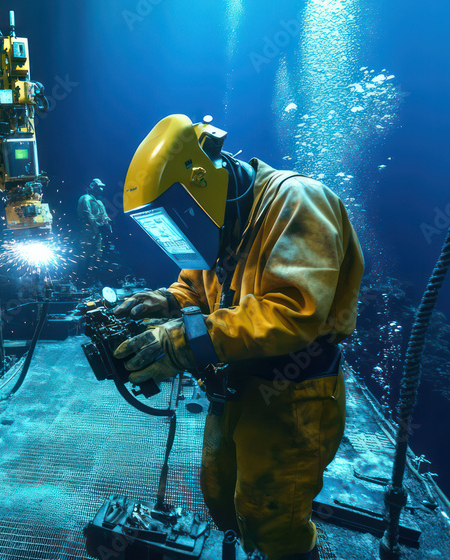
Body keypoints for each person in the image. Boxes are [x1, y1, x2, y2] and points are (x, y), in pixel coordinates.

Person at [112, 115, 364, 560]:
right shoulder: (220, 219)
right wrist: (166, 301)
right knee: (220, 492)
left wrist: (183, 341)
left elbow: (293, 312)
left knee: (273, 515)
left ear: (199, 187)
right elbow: (195, 284)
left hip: (292, 394)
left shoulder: (297, 200)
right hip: (233, 388)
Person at [77, 178, 111, 254]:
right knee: (87, 252)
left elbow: (104, 215)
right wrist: (97, 227)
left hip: (98, 232)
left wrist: (107, 224)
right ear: (93, 187)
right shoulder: (85, 198)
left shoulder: (98, 202)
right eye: (99, 187)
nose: (101, 189)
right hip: (88, 232)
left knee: (98, 252)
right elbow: (87, 214)